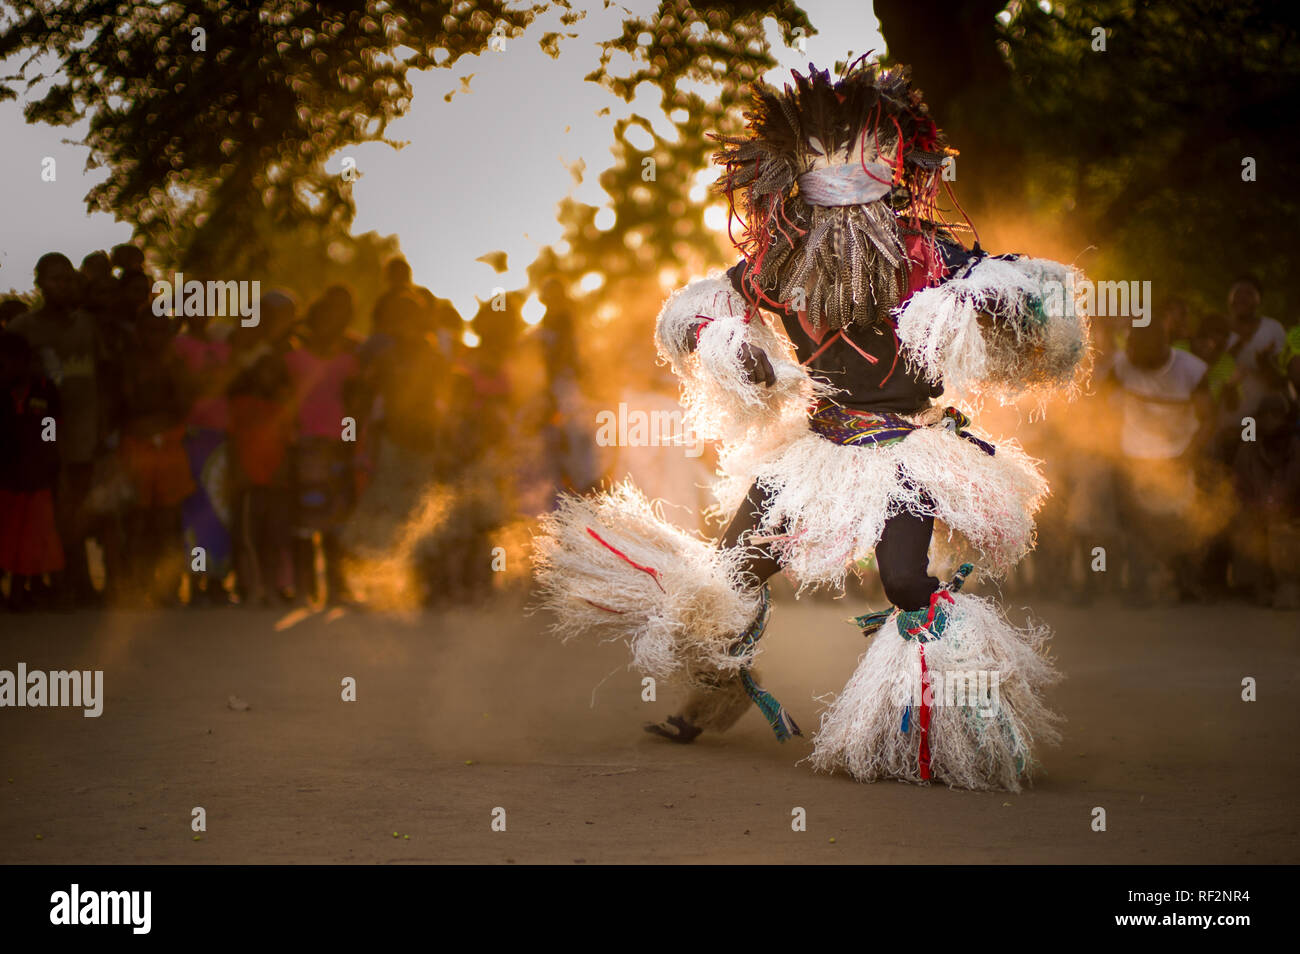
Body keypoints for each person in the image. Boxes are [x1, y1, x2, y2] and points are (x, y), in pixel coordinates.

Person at [534, 63, 1089, 792]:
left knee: (903, 582)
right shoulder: (778, 259)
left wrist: (988, 308)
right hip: (815, 452)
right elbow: (701, 311)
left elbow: (1026, 292)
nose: (847, 211)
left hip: (909, 453)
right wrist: (734, 350)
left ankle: (954, 723)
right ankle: (717, 694)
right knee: (720, 584)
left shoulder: (927, 255)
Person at [7, 253, 101, 607]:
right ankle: (58, 585)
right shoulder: (24, 329)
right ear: (40, 284)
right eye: (54, 279)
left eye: (67, 278)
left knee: (80, 513)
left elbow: (104, 377)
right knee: (48, 514)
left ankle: (81, 584)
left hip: (86, 431)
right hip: (43, 438)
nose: (62, 285)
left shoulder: (88, 325)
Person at [284, 286, 360, 606]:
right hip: (304, 444)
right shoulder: (292, 355)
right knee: (304, 518)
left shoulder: (350, 357)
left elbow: (356, 403)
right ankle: (303, 589)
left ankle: (337, 588)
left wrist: (349, 440)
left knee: (337, 520)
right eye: (326, 315)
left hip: (337, 444)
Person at [117, 309, 195, 605]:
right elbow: (123, 404)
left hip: (169, 444)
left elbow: (184, 404)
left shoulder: (176, 365)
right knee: (138, 518)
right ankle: (137, 586)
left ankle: (170, 588)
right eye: (148, 330)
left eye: (160, 330)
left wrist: (160, 427)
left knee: (168, 519)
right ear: (138, 332)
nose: (154, 337)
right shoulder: (127, 364)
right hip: (136, 444)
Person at [227, 291, 296, 606]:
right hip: (246, 471)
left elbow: (286, 438)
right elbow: (233, 438)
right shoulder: (241, 403)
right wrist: (237, 469)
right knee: (246, 531)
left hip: (274, 471)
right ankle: (249, 587)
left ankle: (271, 587)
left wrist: (282, 469)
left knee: (273, 532)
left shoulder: (279, 406)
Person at [172, 313, 235, 604]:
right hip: (192, 435)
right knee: (195, 512)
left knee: (221, 512)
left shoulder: (224, 345)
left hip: (221, 435)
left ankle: (217, 581)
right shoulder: (179, 345)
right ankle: (195, 582)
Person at [0, 332, 64, 610]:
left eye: (13, 360)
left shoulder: (44, 390)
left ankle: (21, 590)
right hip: (5, 477)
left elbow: (50, 431)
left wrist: (46, 459)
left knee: (31, 538)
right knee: (6, 536)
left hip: (36, 476)